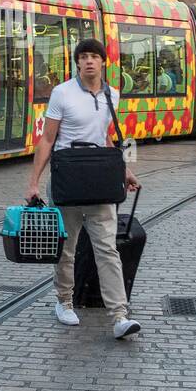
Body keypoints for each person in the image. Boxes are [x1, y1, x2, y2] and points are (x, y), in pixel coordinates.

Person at [25, 38, 142, 340]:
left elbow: (108, 139)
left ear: (104, 62)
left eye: (94, 56)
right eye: (84, 57)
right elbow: (48, 139)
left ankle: (119, 315)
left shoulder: (112, 94)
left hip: (100, 181)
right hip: (68, 181)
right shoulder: (61, 93)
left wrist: (126, 171)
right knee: (67, 249)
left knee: (108, 249)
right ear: (77, 63)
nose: (89, 61)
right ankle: (64, 302)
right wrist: (34, 182)